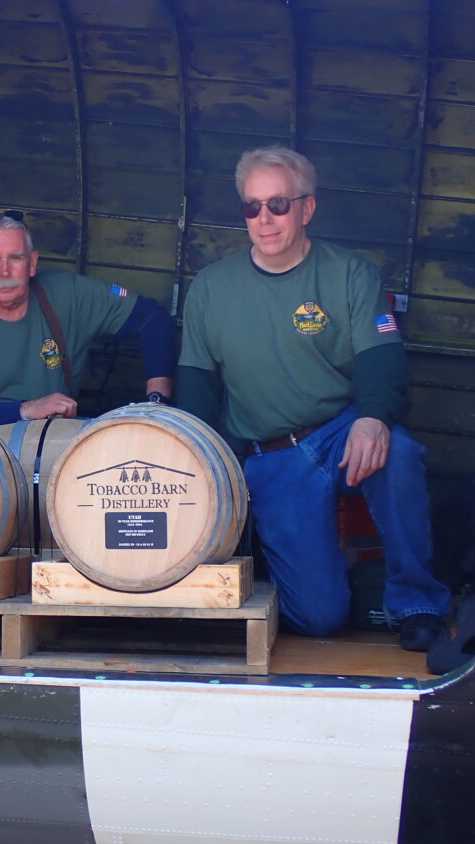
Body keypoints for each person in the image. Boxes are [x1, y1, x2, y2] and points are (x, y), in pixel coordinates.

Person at [177, 145, 450, 650]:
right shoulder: (211, 288)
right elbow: (196, 386)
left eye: (279, 204)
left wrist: (375, 418)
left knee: (401, 453)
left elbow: (381, 356)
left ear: (307, 208)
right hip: (272, 456)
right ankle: (328, 570)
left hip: (339, 430)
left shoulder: (350, 273)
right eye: (252, 206)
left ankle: (418, 604)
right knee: (320, 618)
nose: (265, 218)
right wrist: (198, 467)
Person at [0, 210, 175, 426]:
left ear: (32, 263)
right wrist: (24, 410)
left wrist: (157, 397)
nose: (5, 271)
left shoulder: (67, 294)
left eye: (15, 258)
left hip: (55, 445)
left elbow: (152, 318)